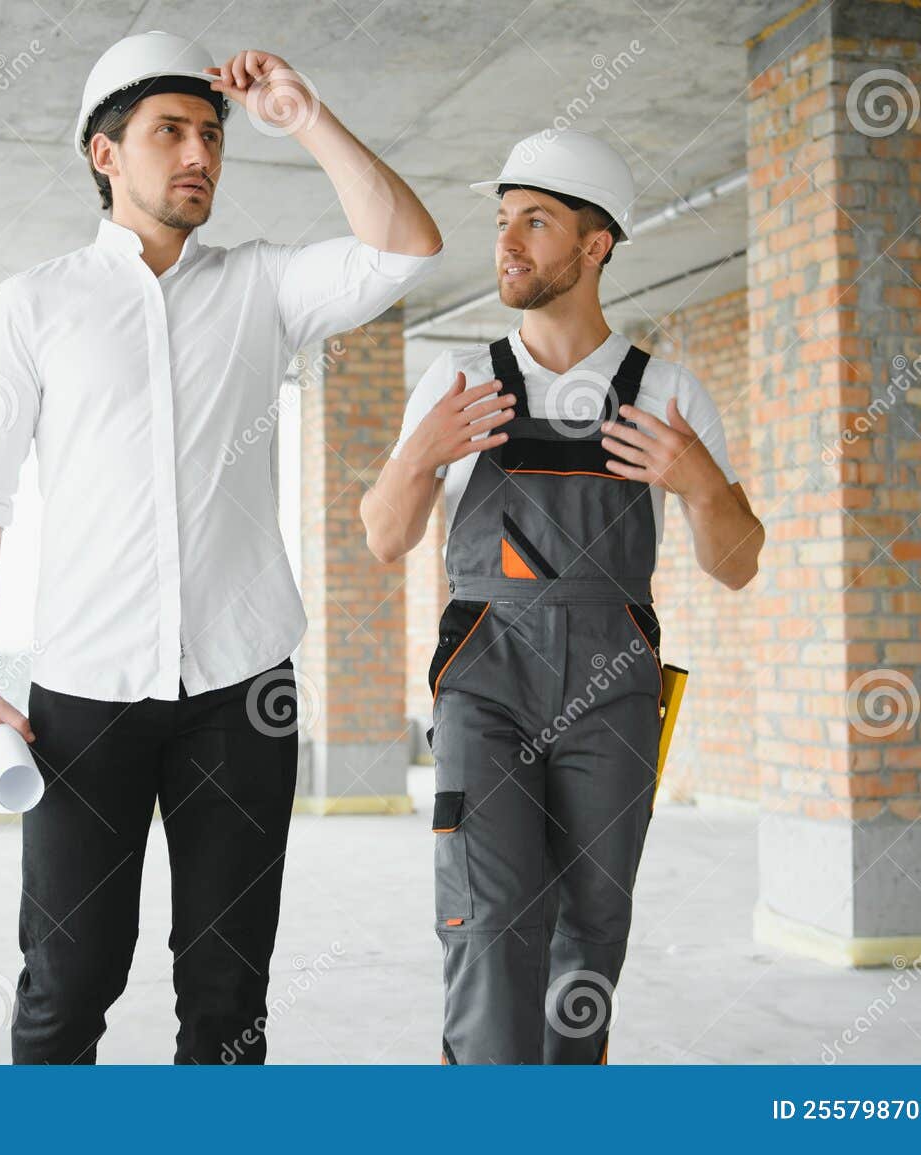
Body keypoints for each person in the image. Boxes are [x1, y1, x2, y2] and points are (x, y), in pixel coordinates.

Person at [0, 31, 442, 1064]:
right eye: (170, 132)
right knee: (67, 983)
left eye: (211, 134)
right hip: (85, 694)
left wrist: (304, 119)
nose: (200, 152)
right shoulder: (34, 306)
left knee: (228, 989)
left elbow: (406, 251)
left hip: (242, 693)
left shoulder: (264, 287)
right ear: (104, 153)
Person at [360, 129, 762, 1064]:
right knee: (488, 923)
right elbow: (384, 537)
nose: (507, 242)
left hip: (615, 681)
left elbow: (738, 564)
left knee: (589, 937)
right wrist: (422, 451)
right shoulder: (458, 381)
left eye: (534, 222)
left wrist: (700, 481)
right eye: (502, 221)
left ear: (595, 245)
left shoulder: (667, 392)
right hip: (485, 674)